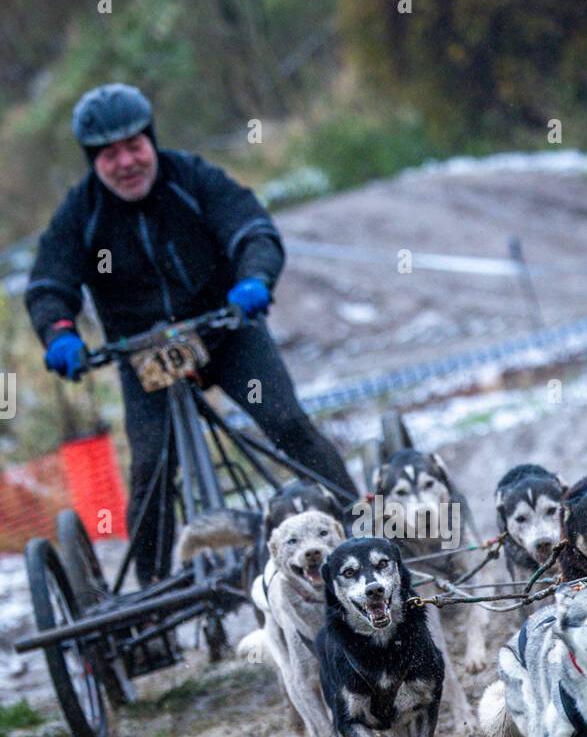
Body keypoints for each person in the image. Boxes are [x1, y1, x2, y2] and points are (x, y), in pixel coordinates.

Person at [26, 83, 357, 586]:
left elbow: (251, 228)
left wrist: (254, 278)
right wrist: (60, 334)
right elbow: (50, 283)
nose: (127, 162)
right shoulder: (80, 214)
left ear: (151, 141)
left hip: (226, 332)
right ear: (93, 161)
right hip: (143, 358)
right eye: (110, 154)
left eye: (135, 146)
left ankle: (359, 537)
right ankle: (155, 594)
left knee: (288, 424)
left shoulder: (192, 179)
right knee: (151, 472)